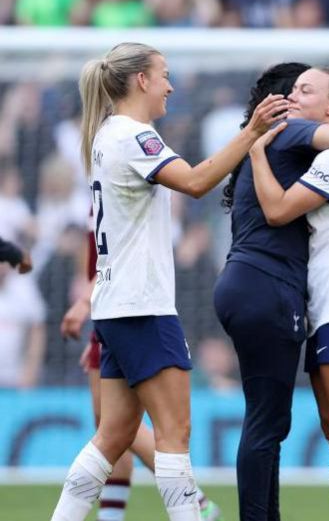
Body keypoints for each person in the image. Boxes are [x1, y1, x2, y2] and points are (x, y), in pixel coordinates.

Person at [49, 41, 288, 521]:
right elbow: (197, 182)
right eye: (164, 75)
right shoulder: (135, 136)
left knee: (113, 435)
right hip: (142, 305)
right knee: (174, 434)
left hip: (116, 304)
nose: (171, 86)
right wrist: (252, 132)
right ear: (141, 80)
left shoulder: (104, 136)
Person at [212, 63, 329, 521]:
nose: (294, 96)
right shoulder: (320, 156)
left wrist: (254, 154)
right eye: (292, 88)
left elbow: (277, 211)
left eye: (306, 89)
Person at [60, 219, 222, 521]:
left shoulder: (111, 179)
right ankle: (195, 504)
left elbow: (118, 254)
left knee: (119, 431)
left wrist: (86, 303)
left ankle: (198, 503)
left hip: (119, 308)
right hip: (116, 310)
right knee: (115, 431)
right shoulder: (106, 179)